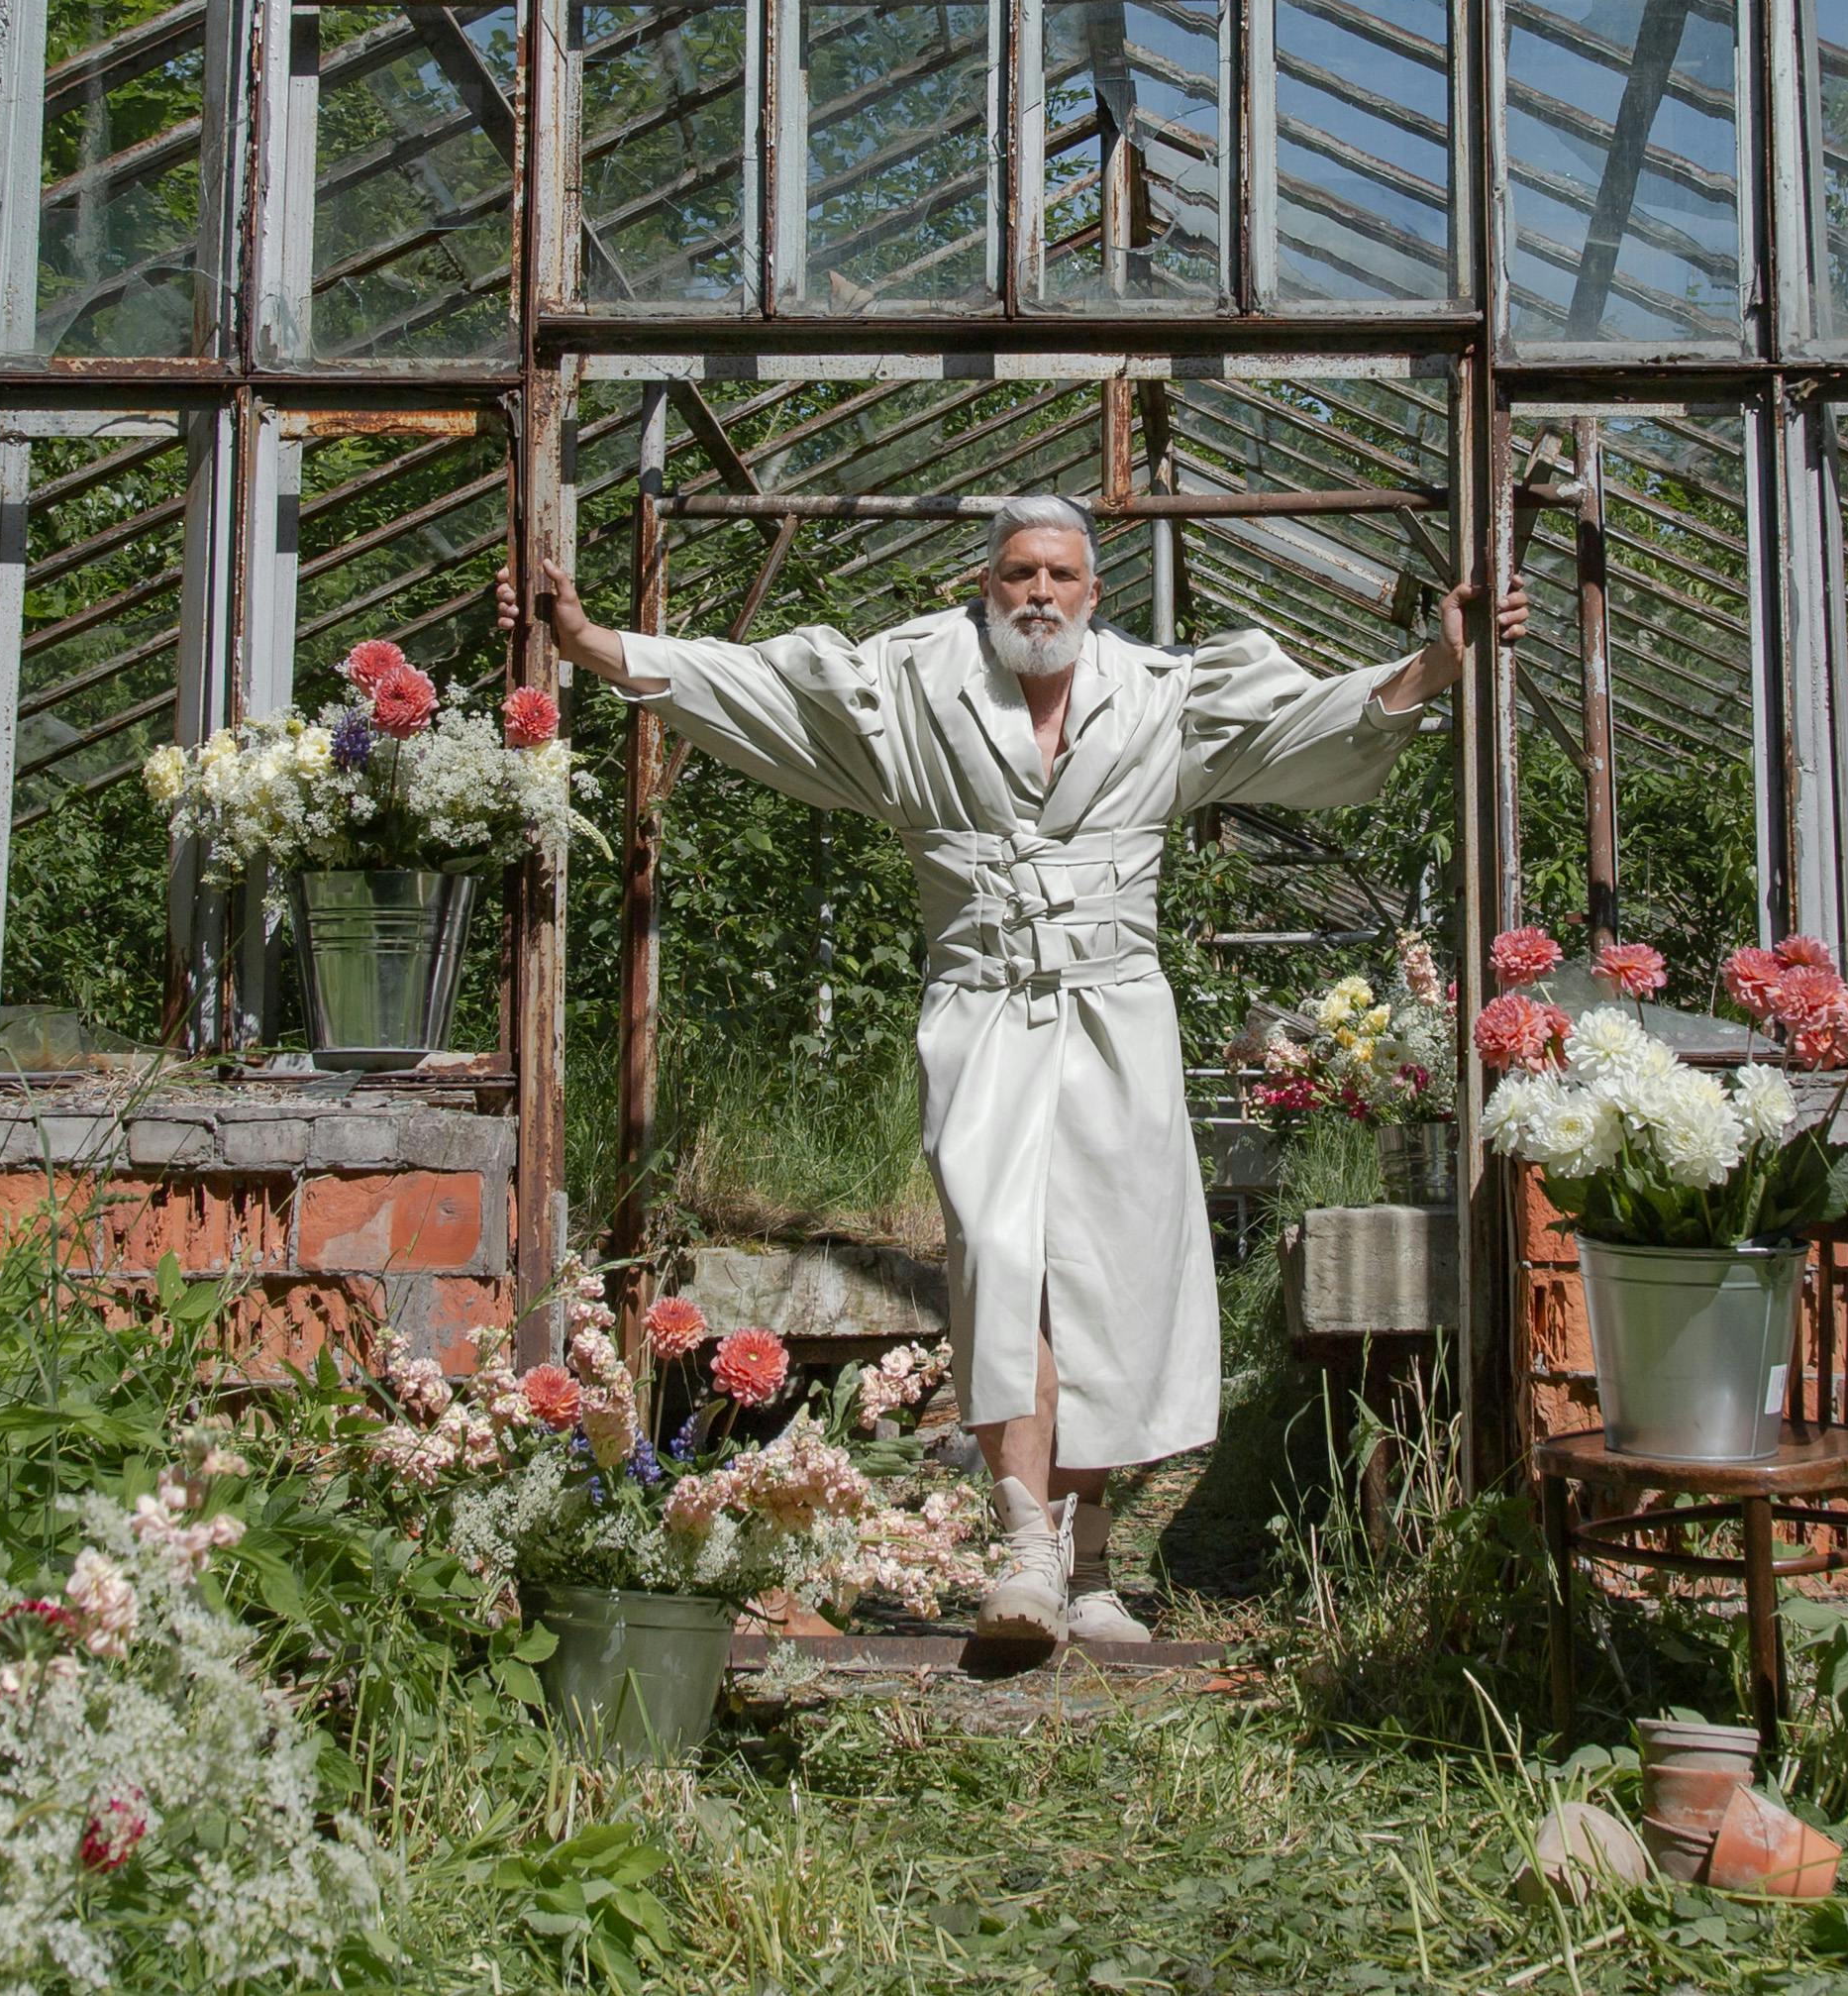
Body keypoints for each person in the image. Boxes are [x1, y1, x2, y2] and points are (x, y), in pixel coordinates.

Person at [526, 495, 1520, 1644]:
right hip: (980, 1018)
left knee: (1106, 1276)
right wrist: (588, 643)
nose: (1037, 592)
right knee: (1003, 1266)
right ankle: (1022, 1547)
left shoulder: (1158, 693)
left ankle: (1088, 1566)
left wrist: (1435, 664)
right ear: (985, 586)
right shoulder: (910, 683)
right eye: (1016, 573)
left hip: (1116, 1021)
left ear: (1093, 594)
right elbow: (757, 687)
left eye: (1058, 574)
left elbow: (1303, 726)